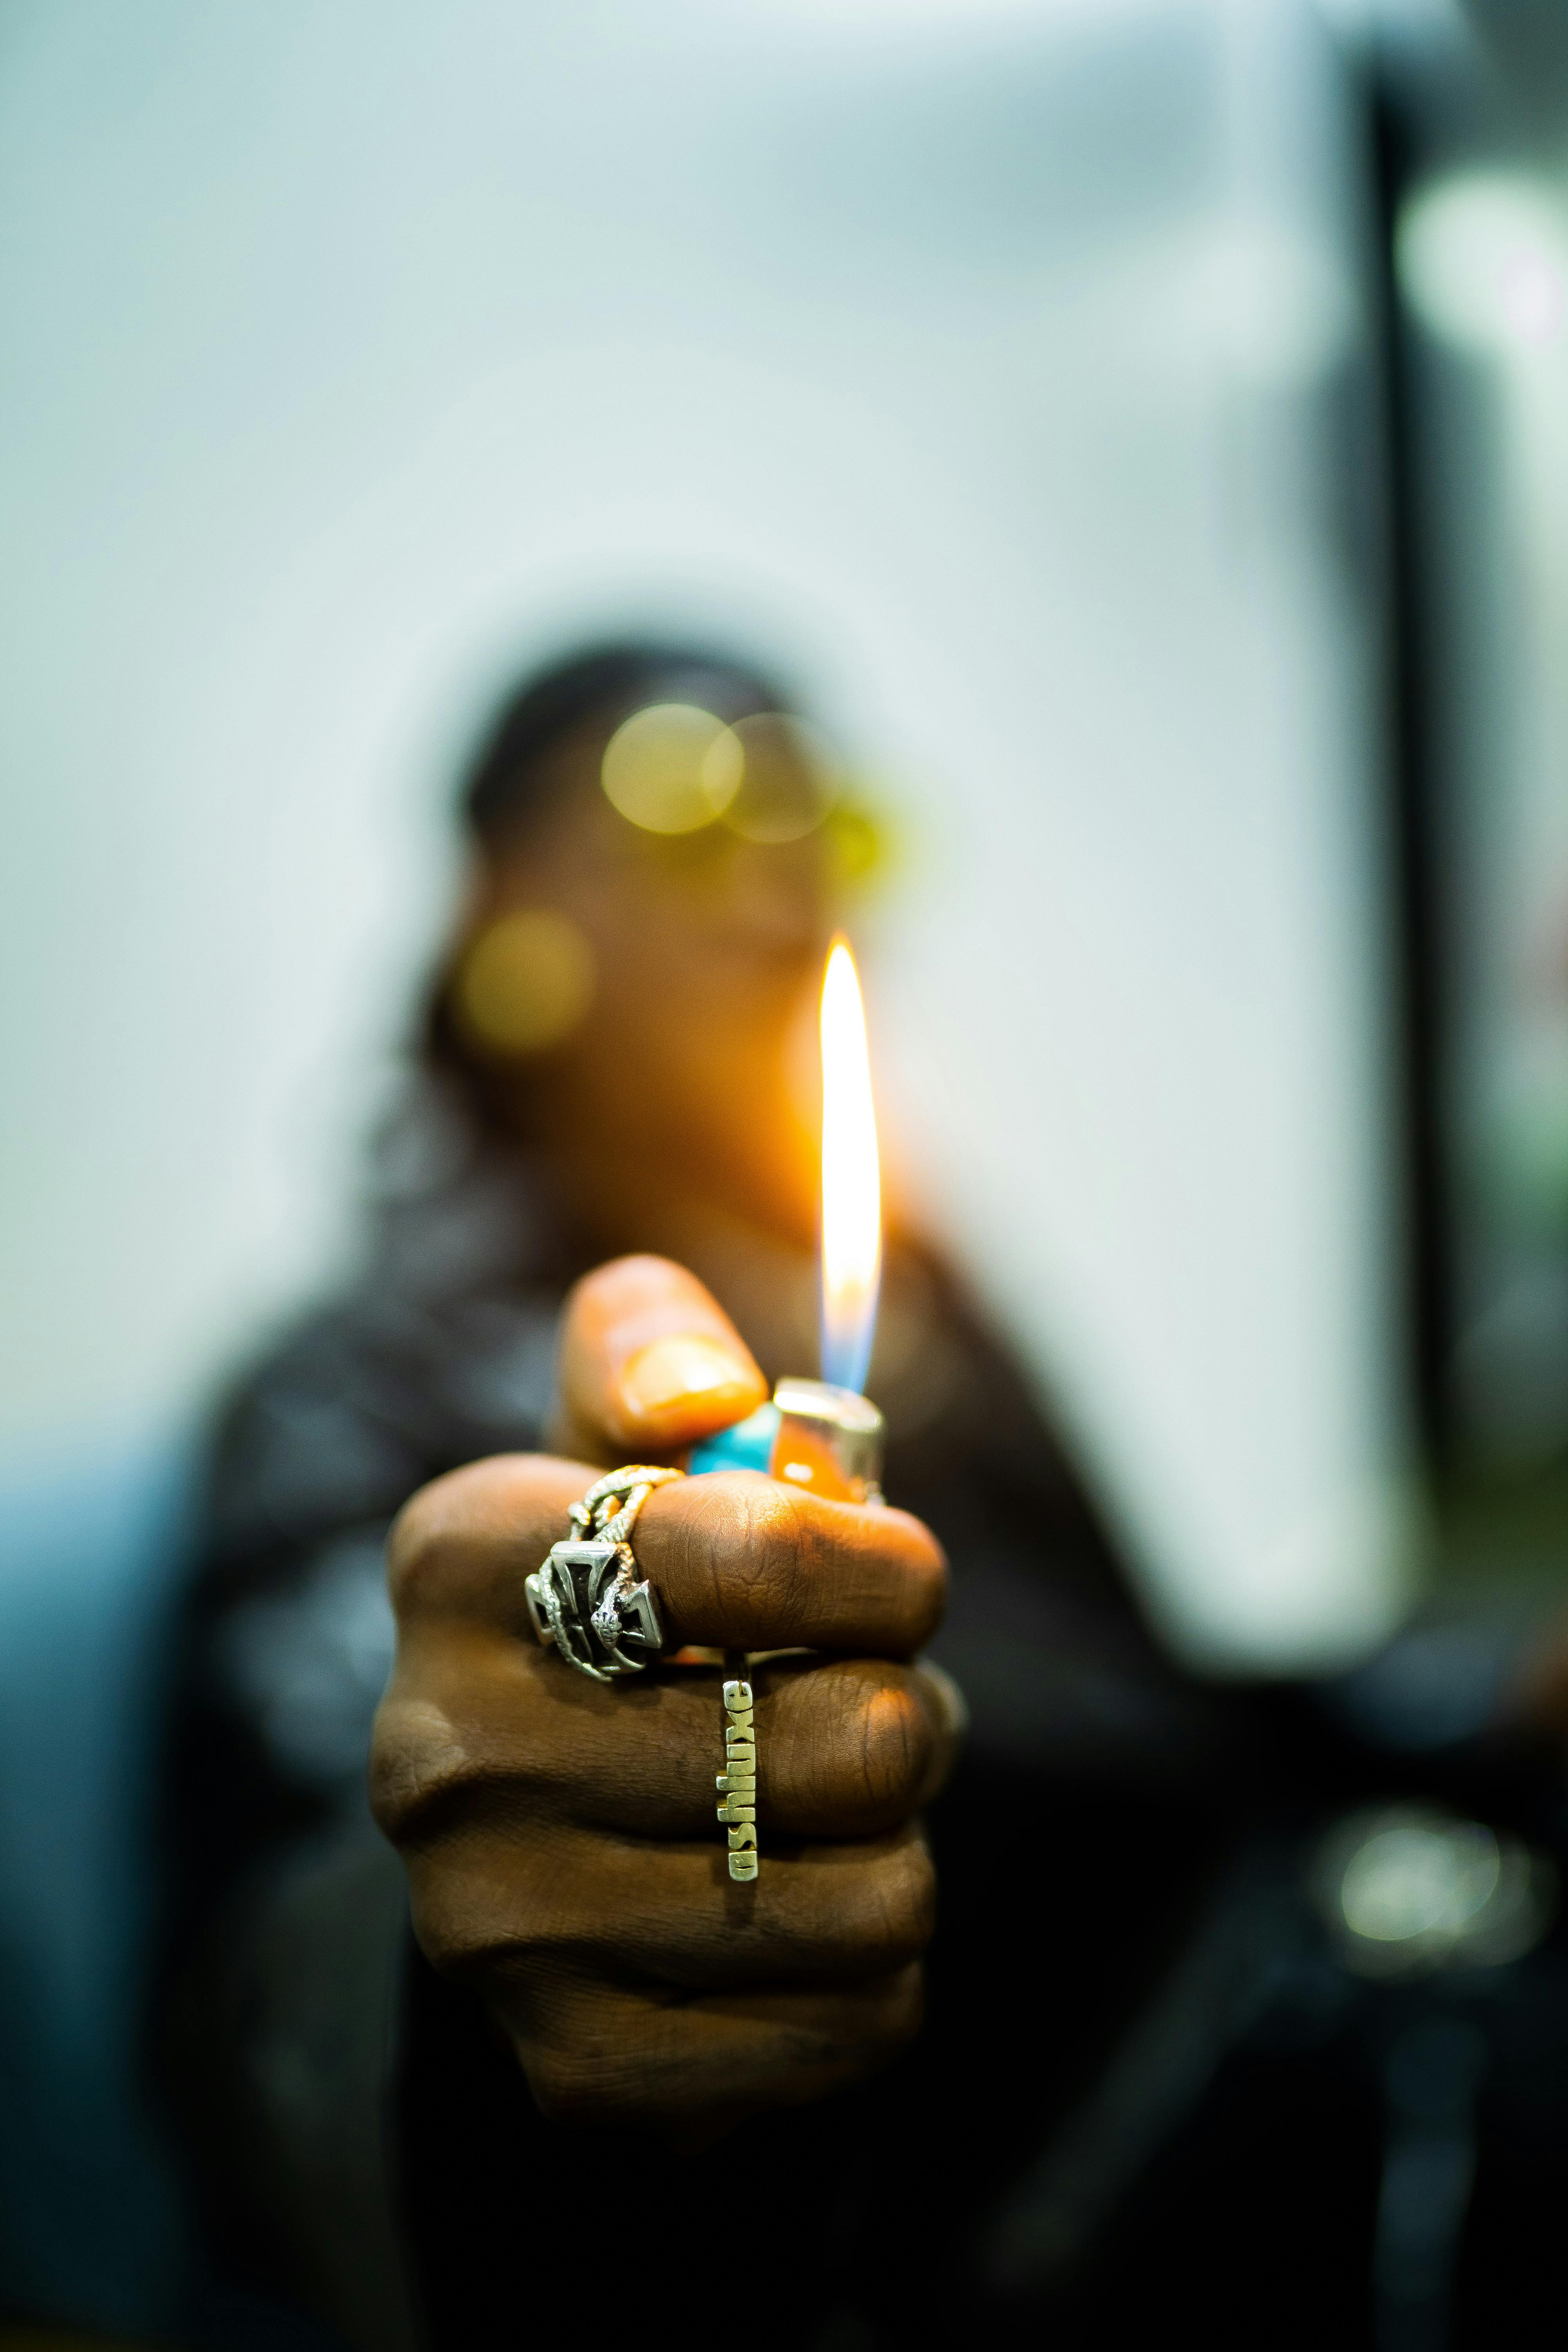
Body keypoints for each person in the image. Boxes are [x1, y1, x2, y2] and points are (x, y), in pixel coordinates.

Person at [160, 642, 1568, 2352]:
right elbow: (291, 1974)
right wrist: (498, 1970)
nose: (783, 886)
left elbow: (1149, 1708)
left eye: (832, 826)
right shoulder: (355, 1391)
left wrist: (1465, 1705)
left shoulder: (921, 1309)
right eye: (686, 813)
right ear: (502, 904)